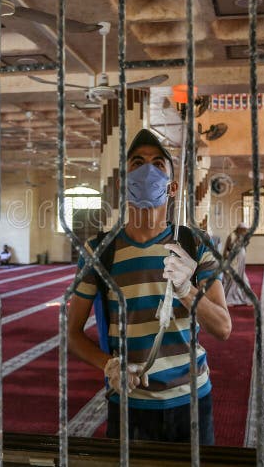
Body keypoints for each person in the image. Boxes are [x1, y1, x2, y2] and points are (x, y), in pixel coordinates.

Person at [68, 129, 231, 445]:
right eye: (137, 163)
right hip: (129, 403)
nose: (147, 170)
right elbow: (72, 335)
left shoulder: (196, 245)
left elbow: (223, 328)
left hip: (192, 400)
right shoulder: (99, 251)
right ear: (123, 183)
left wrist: (186, 289)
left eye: (158, 164)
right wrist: (109, 365)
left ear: (172, 187)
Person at [222, 222, 252, 306]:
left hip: (240, 260)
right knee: (232, 278)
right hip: (233, 261)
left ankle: (246, 298)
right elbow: (228, 249)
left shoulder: (243, 236)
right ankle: (229, 299)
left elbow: (244, 246)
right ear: (239, 229)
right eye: (244, 230)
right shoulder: (232, 236)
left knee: (242, 278)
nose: (245, 232)